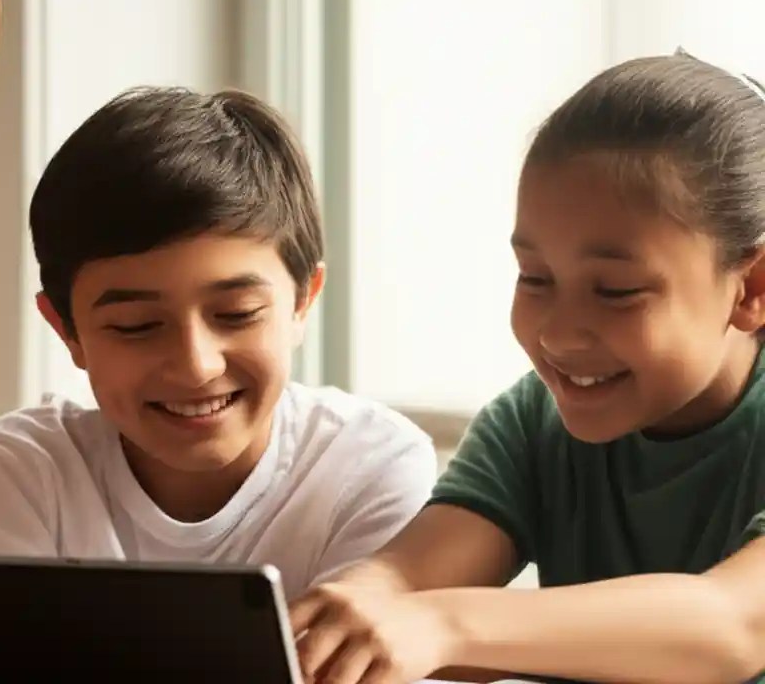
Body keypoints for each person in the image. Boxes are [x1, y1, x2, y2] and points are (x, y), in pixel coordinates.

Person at [290, 52, 765, 684]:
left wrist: (442, 625)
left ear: (751, 288)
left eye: (617, 290)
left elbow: (732, 626)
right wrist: (352, 611)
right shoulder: (534, 422)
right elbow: (405, 581)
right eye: (535, 277)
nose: (558, 333)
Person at [0, 86, 437, 600]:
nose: (196, 366)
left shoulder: (370, 466)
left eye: (237, 314)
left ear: (303, 301)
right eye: (136, 325)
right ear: (66, 330)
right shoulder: (27, 469)